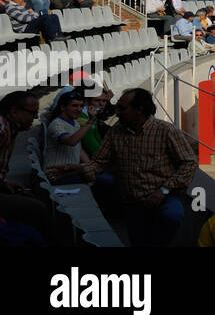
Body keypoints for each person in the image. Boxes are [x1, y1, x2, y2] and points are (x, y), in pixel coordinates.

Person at [49, 88, 196, 246]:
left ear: (138, 110)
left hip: (163, 197)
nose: (116, 112)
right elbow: (99, 162)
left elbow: (189, 162)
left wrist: (164, 190)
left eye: (122, 108)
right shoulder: (116, 132)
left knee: (171, 217)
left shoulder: (166, 131)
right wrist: (78, 169)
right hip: (132, 202)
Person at [0, 90, 47, 239]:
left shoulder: (10, 129)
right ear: (14, 112)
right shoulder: (2, 130)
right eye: (32, 113)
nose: (35, 118)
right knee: (37, 209)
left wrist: (3, 183)